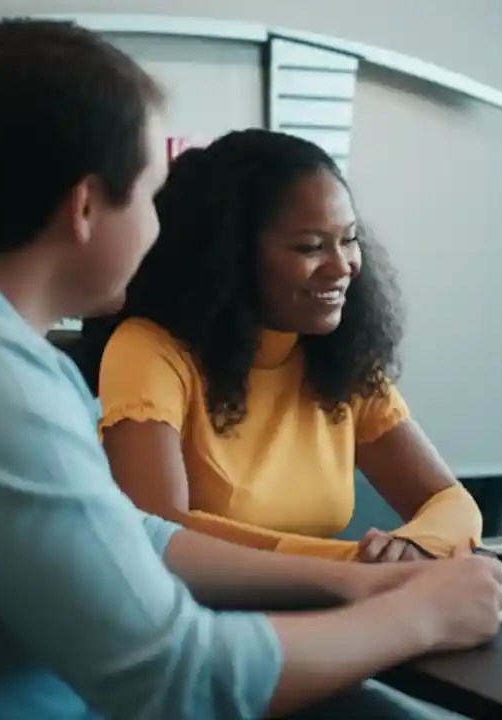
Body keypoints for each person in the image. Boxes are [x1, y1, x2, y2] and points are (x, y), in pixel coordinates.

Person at [0, 19, 502, 719]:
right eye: (152, 196)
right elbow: (173, 677)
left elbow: (136, 535)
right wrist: (419, 617)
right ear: (86, 206)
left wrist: (359, 586)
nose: (162, 231)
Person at [79, 129, 480, 564]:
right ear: (228, 257)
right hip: (206, 619)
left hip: (328, 606)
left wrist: (414, 547)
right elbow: (158, 528)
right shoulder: (148, 349)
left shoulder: (339, 359)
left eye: (348, 239)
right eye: (310, 247)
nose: (342, 266)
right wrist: (350, 564)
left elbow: (451, 503)